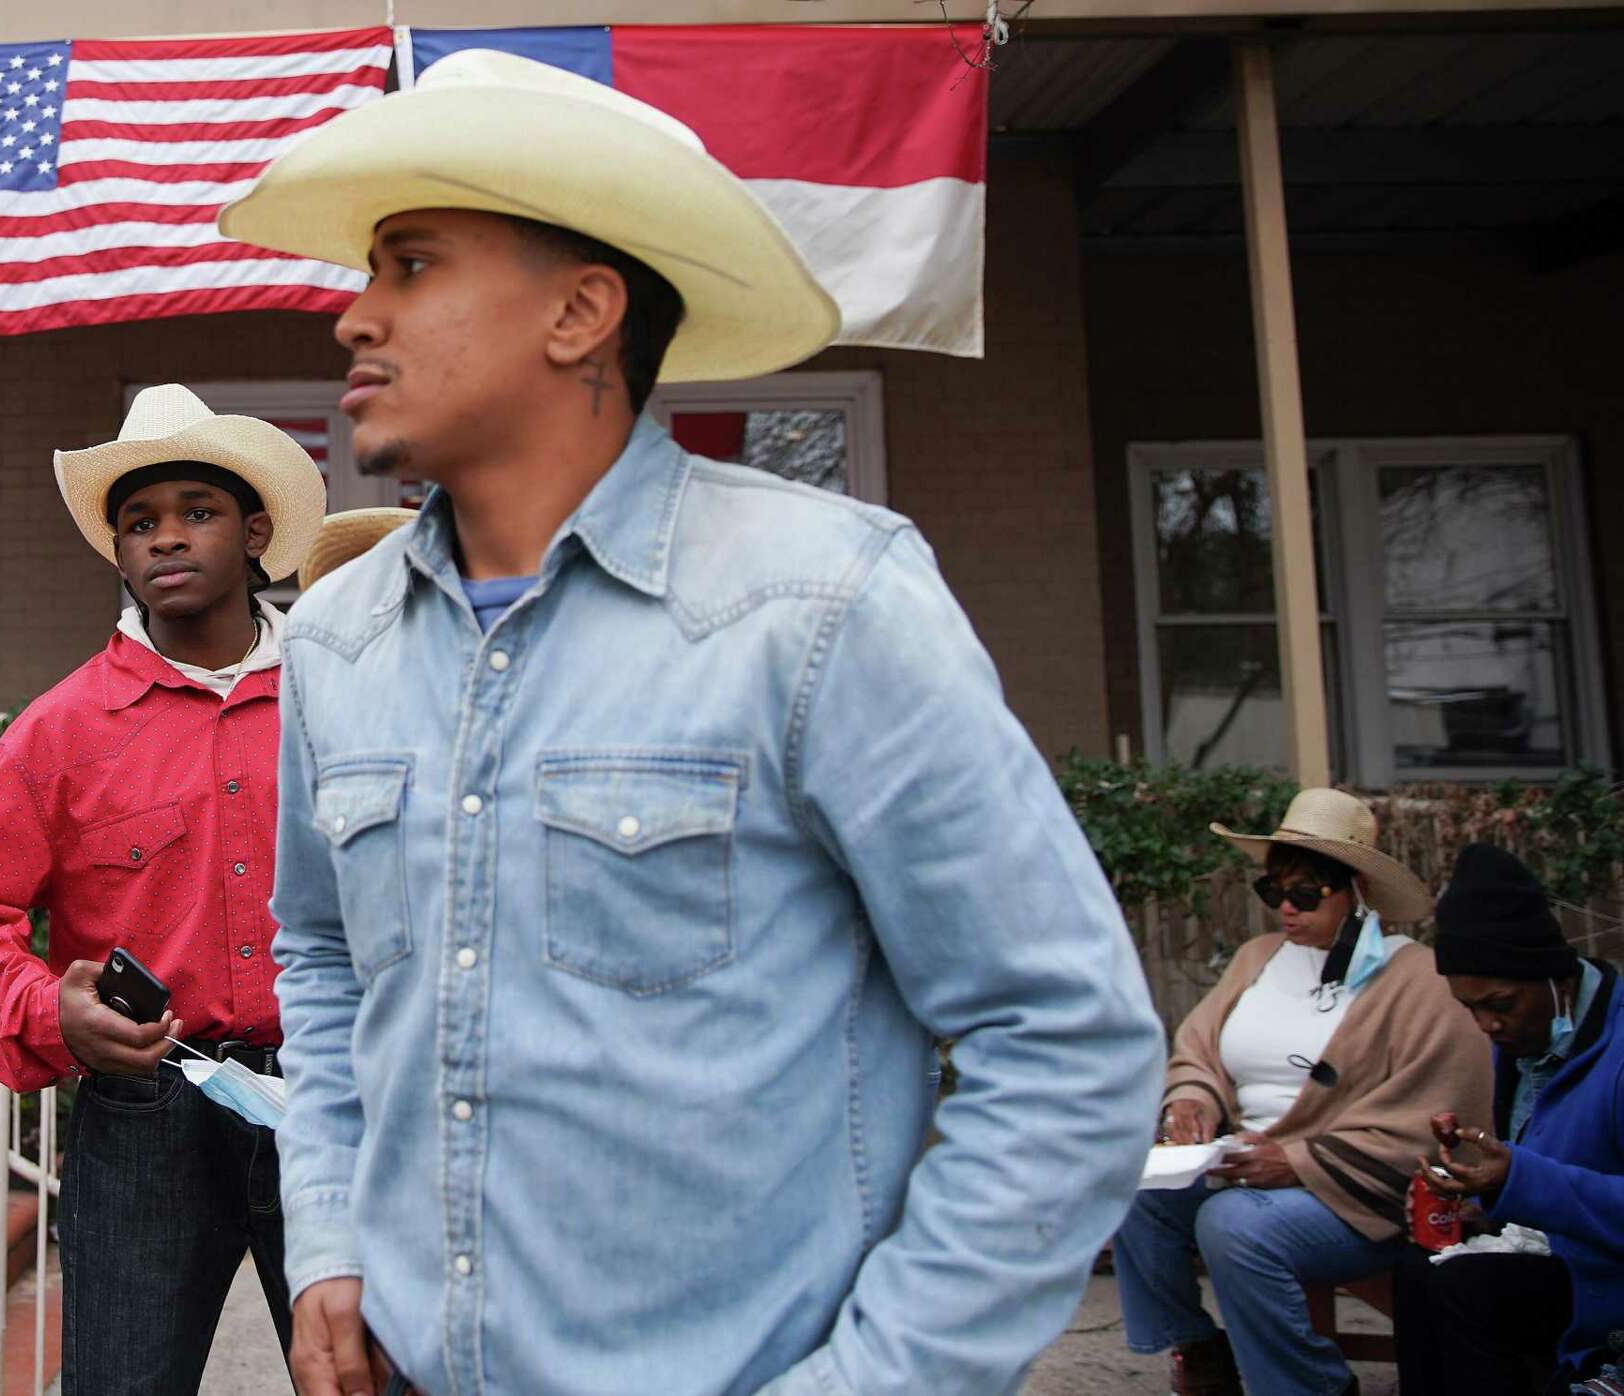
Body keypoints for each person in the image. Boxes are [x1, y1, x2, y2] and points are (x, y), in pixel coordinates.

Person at [219, 48, 1166, 1396]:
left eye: (411, 266)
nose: (355, 317)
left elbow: (1065, 1040)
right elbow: (321, 959)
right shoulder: (334, 640)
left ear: (581, 313)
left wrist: (879, 1381)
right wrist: (327, 1237)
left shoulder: (822, 603)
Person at [0, 384, 326, 1395]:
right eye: (139, 522)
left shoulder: (338, 696)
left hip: (335, 1100)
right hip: (149, 1115)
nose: (165, 537)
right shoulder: (61, 730)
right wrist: (48, 1011)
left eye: (198, 510)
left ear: (256, 533)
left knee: (374, 1375)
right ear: (118, 552)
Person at [1111, 788, 1493, 1396]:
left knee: (1232, 1224)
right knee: (1131, 1191)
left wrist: (1298, 1161)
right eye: (1273, 891)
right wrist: (1191, 1100)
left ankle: (1312, 1385)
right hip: (1244, 1163)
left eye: (1306, 894)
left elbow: (1435, 1111)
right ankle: (1200, 1349)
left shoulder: (1418, 979)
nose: (1286, 909)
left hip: (1362, 1193)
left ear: (1355, 890)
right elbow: (1199, 1050)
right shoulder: (1257, 958)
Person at [1394, 842, 1624, 1394]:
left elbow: (1551, 1182)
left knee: (1469, 1290)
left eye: (1499, 1004)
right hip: (1563, 1259)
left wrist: (1518, 1180)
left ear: (1555, 979)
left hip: (1607, 1283)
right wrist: (1475, 1202)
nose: (1486, 1026)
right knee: (1415, 1272)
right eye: (1470, 1008)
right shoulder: (1526, 1041)